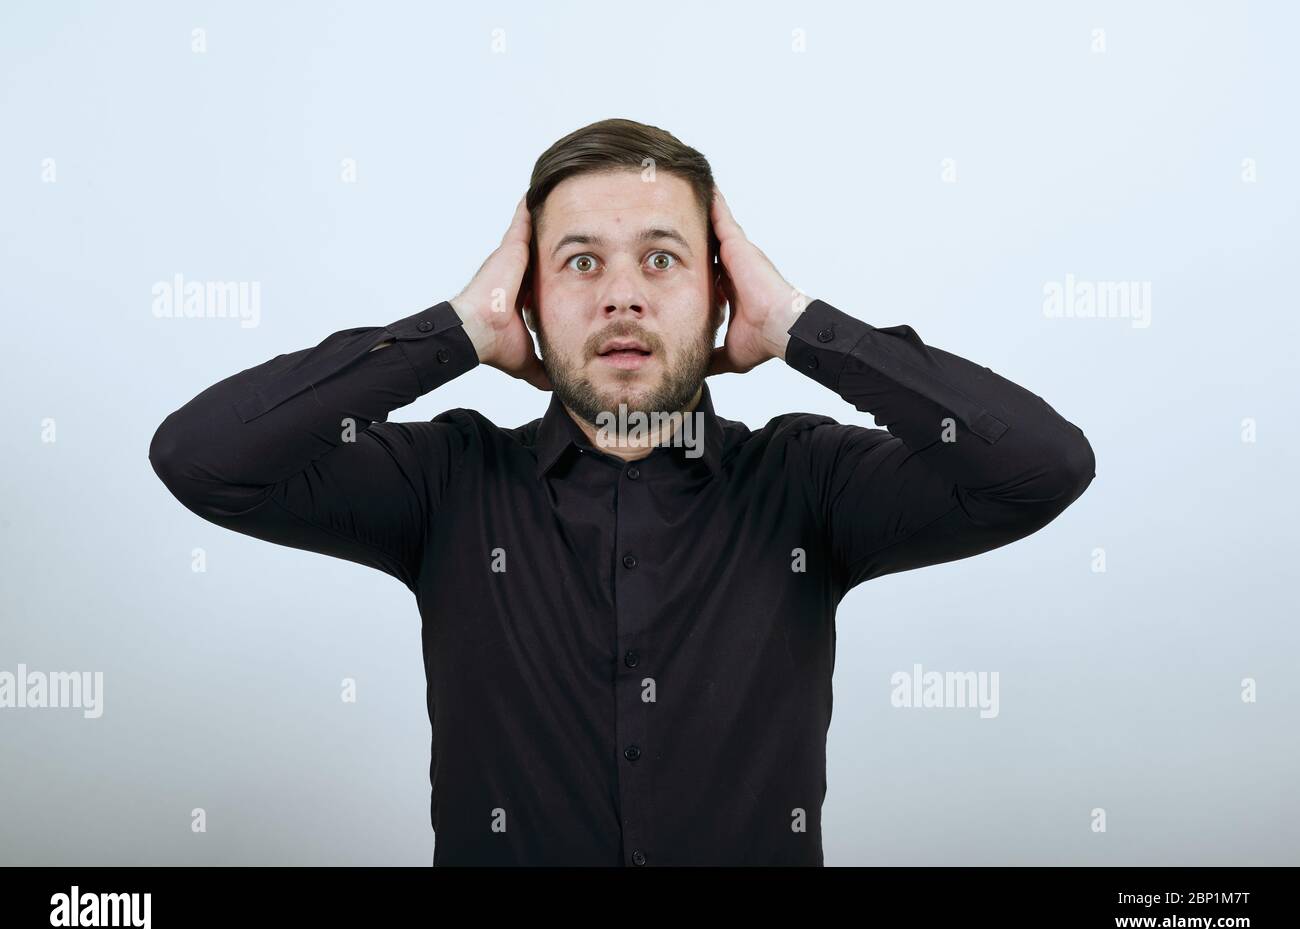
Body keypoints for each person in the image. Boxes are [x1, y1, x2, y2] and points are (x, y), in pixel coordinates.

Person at [149, 118, 1096, 866]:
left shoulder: (810, 483)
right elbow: (203, 456)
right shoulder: (445, 482)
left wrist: (803, 326)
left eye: (661, 258)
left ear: (721, 294)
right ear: (528, 301)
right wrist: (455, 329)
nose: (622, 297)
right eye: (579, 262)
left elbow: (1042, 467)